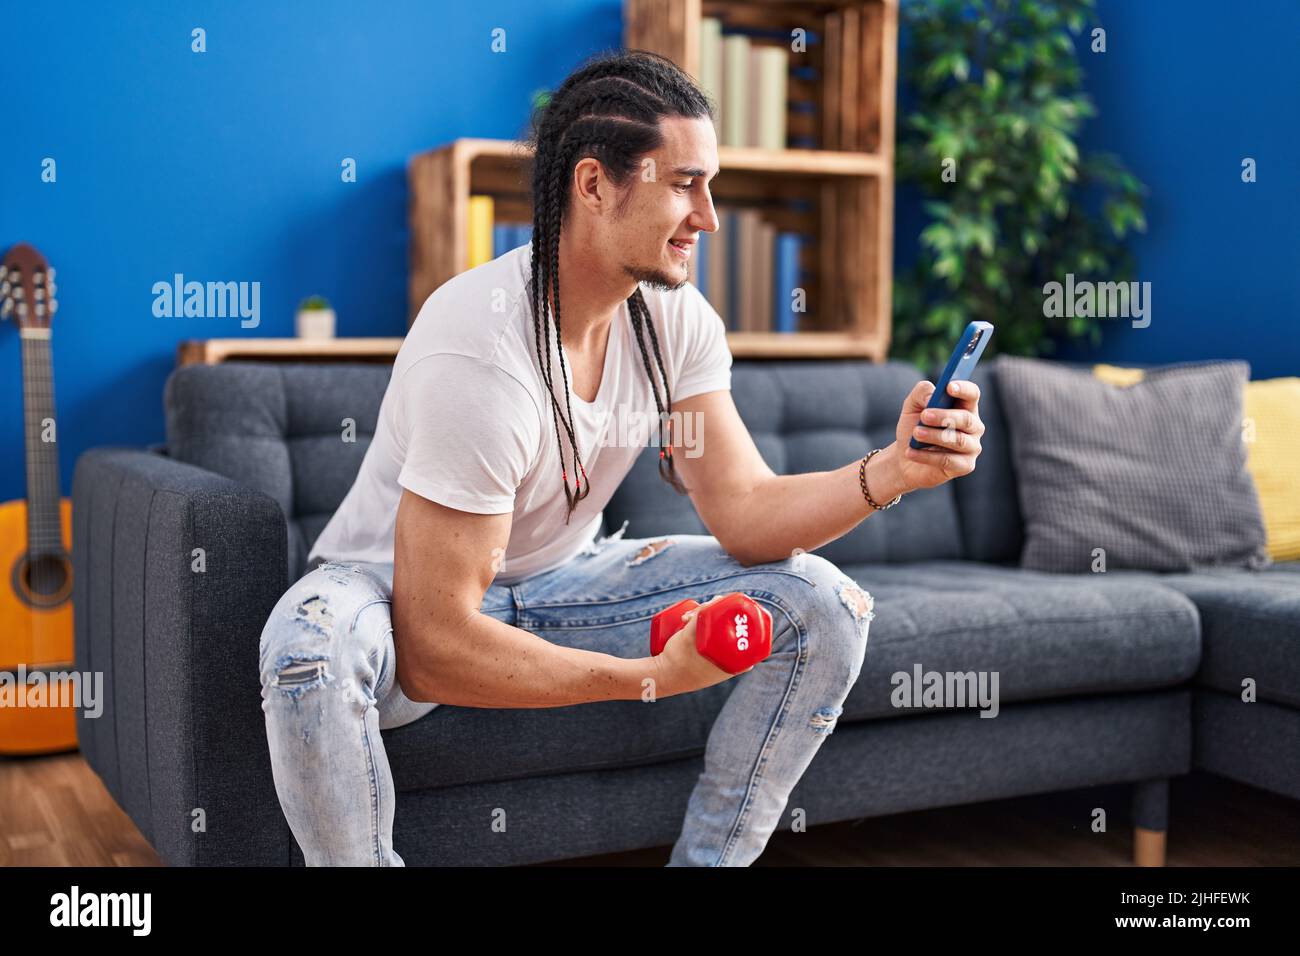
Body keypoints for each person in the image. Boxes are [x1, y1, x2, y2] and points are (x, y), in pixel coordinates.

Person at [258, 49, 985, 866]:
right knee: (306, 650)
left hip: (565, 580)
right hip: (394, 593)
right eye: (683, 184)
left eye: (709, 184)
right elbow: (433, 646)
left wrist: (894, 469)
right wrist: (645, 675)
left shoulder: (674, 323)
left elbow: (744, 511)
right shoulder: (479, 348)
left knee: (828, 603)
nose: (708, 217)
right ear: (595, 185)